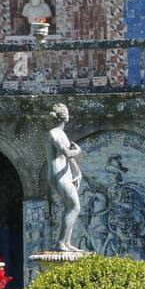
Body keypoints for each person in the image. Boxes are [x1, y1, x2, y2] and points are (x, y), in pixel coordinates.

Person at [48, 103, 84, 251]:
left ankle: (66, 242)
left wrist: (78, 172)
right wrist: (79, 151)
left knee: (70, 207)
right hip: (58, 174)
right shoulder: (54, 133)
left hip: (65, 173)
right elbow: (68, 153)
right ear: (65, 116)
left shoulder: (62, 134)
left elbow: (69, 157)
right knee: (75, 206)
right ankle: (61, 243)